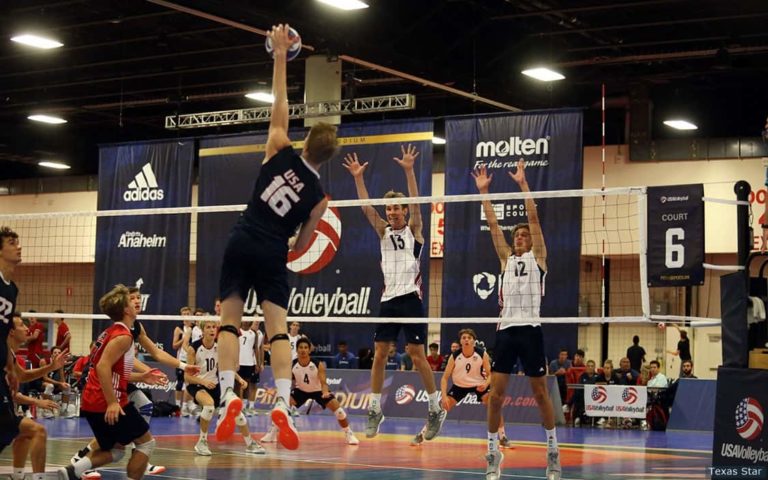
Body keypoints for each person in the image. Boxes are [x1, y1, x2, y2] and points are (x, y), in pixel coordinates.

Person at [214, 23, 337, 450]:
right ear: (329, 158)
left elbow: (279, 102)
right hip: (272, 248)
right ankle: (282, 403)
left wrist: (281, 55)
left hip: (243, 235)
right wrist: (286, 244)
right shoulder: (320, 199)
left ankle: (229, 393)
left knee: (229, 322)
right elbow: (302, 246)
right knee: (278, 330)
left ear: (306, 142)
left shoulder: (278, 145)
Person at [343, 144, 447, 441]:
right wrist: (358, 178)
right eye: (389, 208)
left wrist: (409, 170)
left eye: (397, 208)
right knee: (379, 354)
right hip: (389, 299)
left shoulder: (415, 230)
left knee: (416, 354)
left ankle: (434, 407)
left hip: (410, 298)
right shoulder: (383, 231)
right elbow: (366, 208)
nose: (393, 212)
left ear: (404, 211)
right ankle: (375, 409)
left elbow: (416, 205)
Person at [473, 162, 561, 480]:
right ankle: (493, 454)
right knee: (495, 396)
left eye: (526, 235)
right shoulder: (505, 259)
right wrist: (484, 192)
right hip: (507, 331)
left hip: (531, 330)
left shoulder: (539, 259)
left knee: (540, 395)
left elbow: (534, 217)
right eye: (519, 235)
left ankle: (553, 452)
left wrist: (524, 185)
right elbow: (495, 225)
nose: (522, 237)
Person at [67, 286, 198, 479]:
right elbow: (105, 366)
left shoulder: (133, 327)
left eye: (138, 297)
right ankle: (140, 452)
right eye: (132, 298)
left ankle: (78, 466)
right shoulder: (121, 335)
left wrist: (182, 366)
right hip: (102, 387)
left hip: (110, 383)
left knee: (119, 444)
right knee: (141, 437)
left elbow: (154, 353)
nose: (137, 301)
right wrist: (113, 401)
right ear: (124, 307)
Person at [411, 329, 510, 447]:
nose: (466, 339)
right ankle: (421, 435)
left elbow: (491, 374)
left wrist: (485, 384)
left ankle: (503, 437)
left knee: (493, 403)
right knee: (441, 408)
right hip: (459, 386)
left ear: (474, 340)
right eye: (464, 338)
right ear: (461, 341)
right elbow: (444, 378)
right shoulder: (454, 356)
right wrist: (443, 396)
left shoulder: (482, 354)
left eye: (469, 337)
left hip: (479, 384)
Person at [4, 307, 69, 480]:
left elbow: (22, 376)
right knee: (37, 431)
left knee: (25, 434)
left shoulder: (10, 353)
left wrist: (51, 367)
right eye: (22, 326)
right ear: (10, 331)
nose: (27, 329)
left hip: (5, 407)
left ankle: (17, 476)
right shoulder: (2, 352)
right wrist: (36, 401)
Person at [185, 321, 265, 456]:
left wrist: (239, 379)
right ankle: (202, 442)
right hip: (197, 384)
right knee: (209, 406)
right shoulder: (194, 348)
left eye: (213, 327)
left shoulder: (219, 347)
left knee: (236, 411)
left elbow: (226, 367)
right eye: (208, 327)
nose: (211, 330)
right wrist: (203, 382)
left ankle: (250, 443)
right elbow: (187, 377)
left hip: (215, 385)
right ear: (202, 330)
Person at [262, 338, 359, 445]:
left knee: (339, 411)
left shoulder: (317, 364)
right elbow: (287, 382)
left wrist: (325, 392)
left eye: (305, 348)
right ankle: (272, 433)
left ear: (309, 350)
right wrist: (275, 390)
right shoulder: (292, 365)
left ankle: (349, 433)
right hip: (301, 391)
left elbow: (323, 382)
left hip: (318, 391)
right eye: (301, 348)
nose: (303, 350)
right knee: (280, 405)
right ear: (297, 350)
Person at [238, 319, 263, 417]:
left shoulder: (254, 333)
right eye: (243, 320)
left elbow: (256, 348)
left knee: (247, 386)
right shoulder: (237, 331)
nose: (245, 322)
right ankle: (237, 407)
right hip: (238, 362)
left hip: (249, 363)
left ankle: (244, 407)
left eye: (247, 320)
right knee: (238, 386)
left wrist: (257, 363)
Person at [172, 307, 194, 416]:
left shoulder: (195, 328)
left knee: (190, 383)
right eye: (184, 314)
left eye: (188, 313)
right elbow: (174, 345)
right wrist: (184, 338)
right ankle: (177, 407)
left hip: (192, 360)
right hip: (181, 359)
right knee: (180, 383)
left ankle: (187, 406)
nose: (186, 316)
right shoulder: (179, 329)